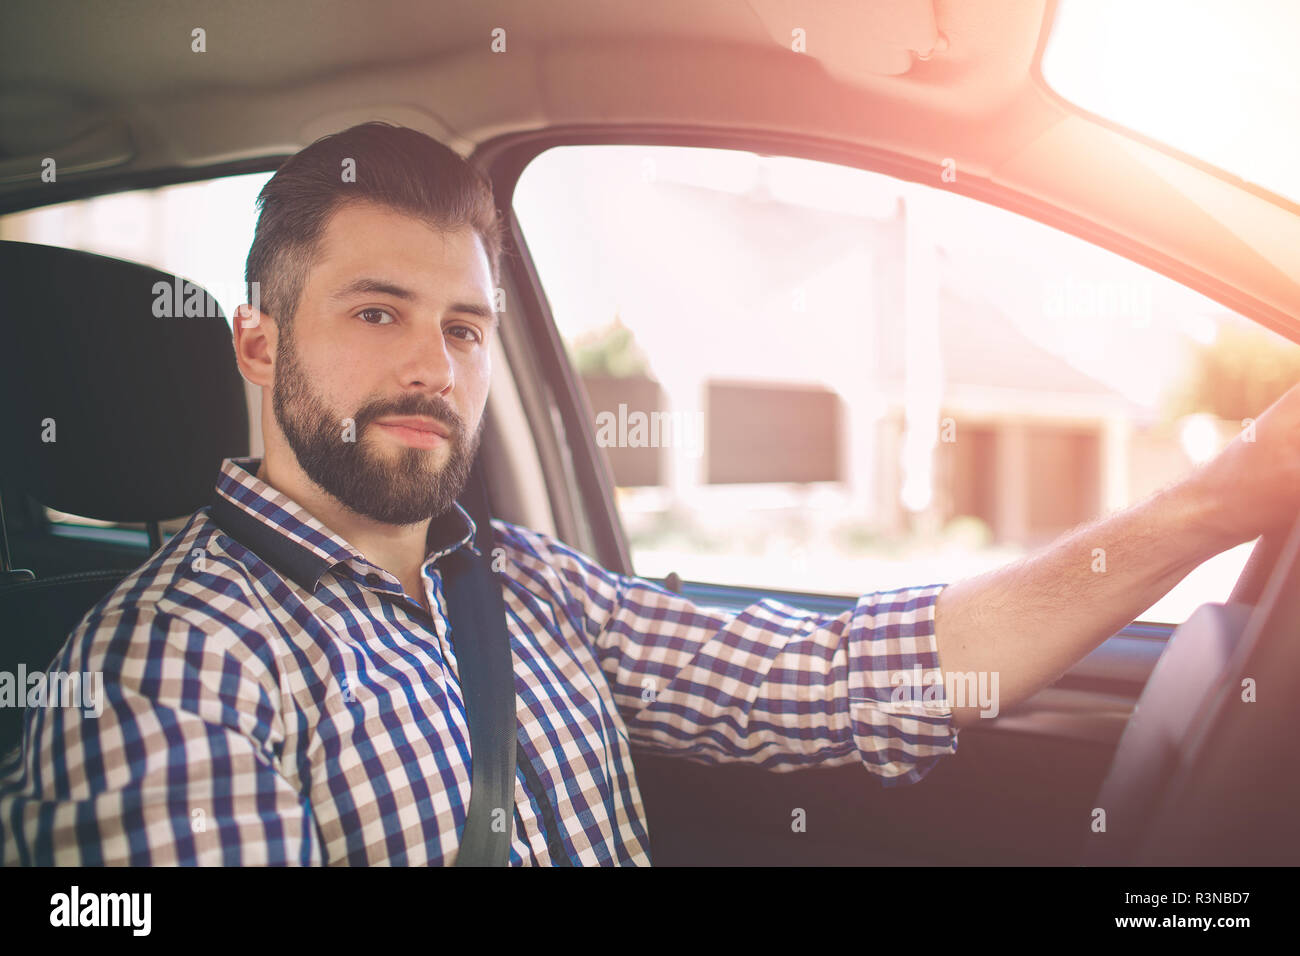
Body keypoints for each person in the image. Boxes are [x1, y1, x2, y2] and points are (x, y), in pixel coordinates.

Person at [2, 122, 1297, 865]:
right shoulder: (164, 681)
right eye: (376, 311)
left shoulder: (515, 580)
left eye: (463, 328)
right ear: (259, 344)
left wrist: (1222, 499)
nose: (429, 366)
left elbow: (847, 678)